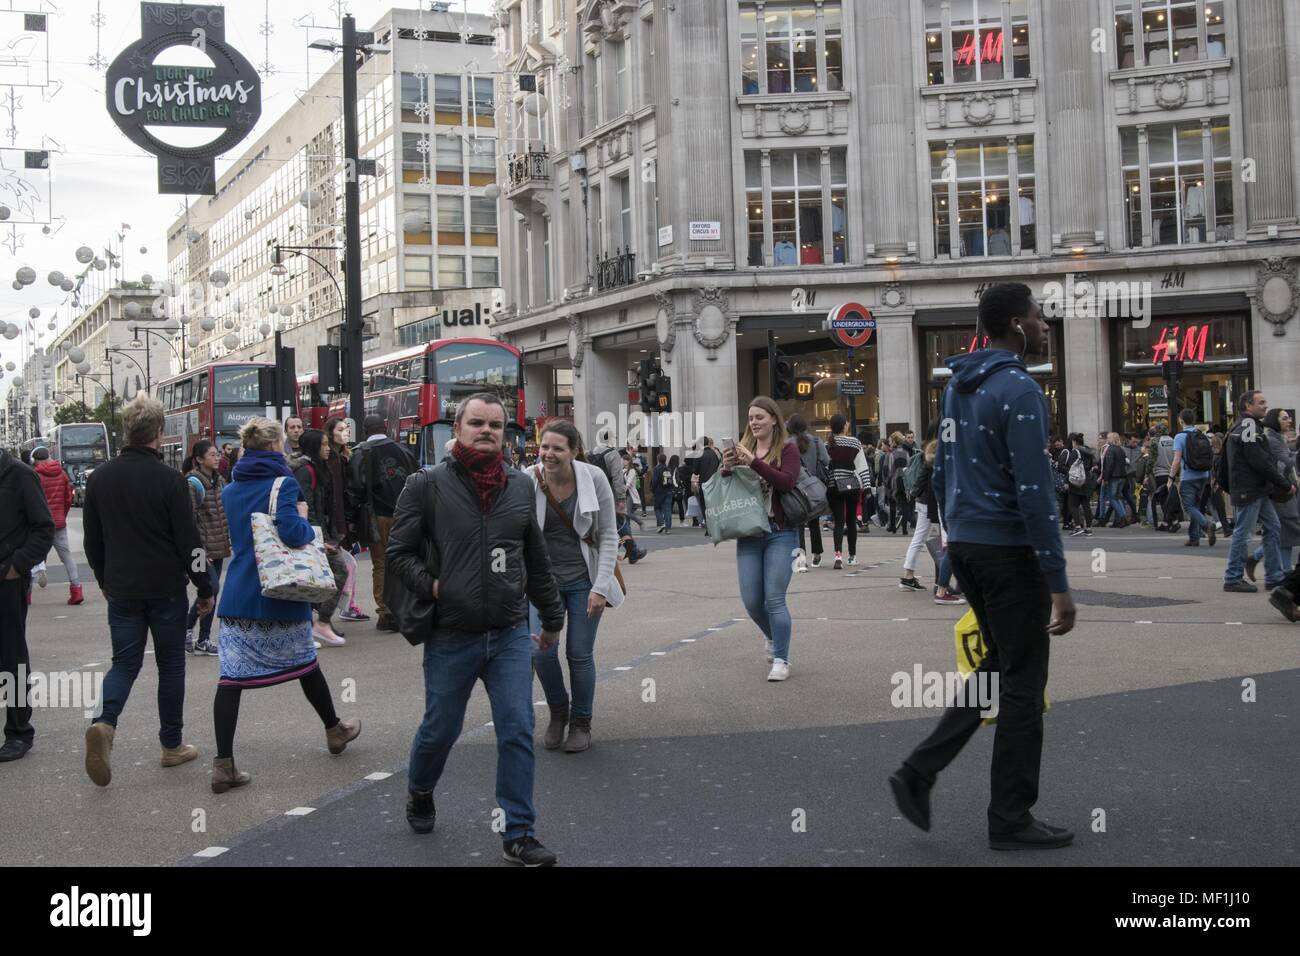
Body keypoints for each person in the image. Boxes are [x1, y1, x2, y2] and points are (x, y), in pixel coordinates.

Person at [890, 282, 1076, 850]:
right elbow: (1035, 491)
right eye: (1040, 317)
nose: (1046, 325)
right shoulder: (1020, 389)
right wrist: (1058, 583)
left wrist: (953, 535)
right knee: (1024, 683)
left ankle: (920, 771)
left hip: (966, 544)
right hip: (1007, 550)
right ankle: (1010, 817)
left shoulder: (957, 387)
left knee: (997, 664)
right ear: (1017, 326)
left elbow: (941, 472)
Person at [386, 393, 565, 866]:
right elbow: (397, 554)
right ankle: (420, 790)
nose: (486, 431)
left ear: (506, 433)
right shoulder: (426, 485)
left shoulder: (521, 488)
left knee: (517, 727)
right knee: (440, 729)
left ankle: (519, 833)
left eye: (496, 425)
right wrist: (437, 587)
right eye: (477, 423)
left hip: (508, 632)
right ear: (457, 429)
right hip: (452, 632)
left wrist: (551, 619)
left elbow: (536, 559)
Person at [211, 417, 361, 793]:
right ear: (277, 446)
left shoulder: (230, 489)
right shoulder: (285, 482)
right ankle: (334, 730)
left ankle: (224, 764)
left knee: (230, 680)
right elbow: (292, 534)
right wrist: (309, 525)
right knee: (306, 665)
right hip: (279, 592)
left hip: (239, 595)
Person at [82, 394, 212, 787]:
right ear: (159, 433)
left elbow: (92, 540)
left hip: (121, 588)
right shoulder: (171, 481)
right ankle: (171, 745)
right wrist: (204, 586)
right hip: (165, 589)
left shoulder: (100, 478)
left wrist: (104, 578)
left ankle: (105, 722)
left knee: (124, 663)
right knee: (170, 666)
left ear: (126, 431)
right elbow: (190, 542)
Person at [525, 420, 622, 753]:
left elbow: (609, 534)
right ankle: (558, 711)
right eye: (544, 447)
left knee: (579, 654)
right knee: (541, 652)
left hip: (584, 580)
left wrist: (601, 586)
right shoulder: (529, 478)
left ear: (574, 451)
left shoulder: (593, 479)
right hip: (543, 584)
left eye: (557, 448)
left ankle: (581, 722)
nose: (549, 454)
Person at [723, 396, 802, 682]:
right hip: (749, 534)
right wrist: (727, 467)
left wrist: (754, 462)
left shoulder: (788, 449)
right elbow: (730, 489)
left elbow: (786, 482)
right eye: (751, 417)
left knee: (774, 598)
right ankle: (771, 635)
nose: (754, 422)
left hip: (781, 533)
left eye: (759, 417)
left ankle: (781, 658)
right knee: (752, 600)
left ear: (773, 419)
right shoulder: (744, 449)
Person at [0, 446, 53, 762]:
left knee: (11, 655)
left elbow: (43, 527)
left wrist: (16, 566)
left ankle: (19, 732)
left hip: (6, 581)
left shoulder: (20, 475)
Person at [350, 414, 417, 632]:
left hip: (376, 515)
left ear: (365, 430)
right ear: (385, 428)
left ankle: (386, 612)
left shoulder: (361, 452)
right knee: (404, 561)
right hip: (406, 514)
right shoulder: (404, 450)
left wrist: (351, 519)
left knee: (380, 563)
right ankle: (404, 609)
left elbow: (354, 489)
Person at [1223, 391, 1294, 593]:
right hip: (1249, 489)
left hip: (1256, 489)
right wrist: (1283, 483)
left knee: (1273, 527)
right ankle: (1233, 577)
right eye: (1261, 402)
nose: (1265, 406)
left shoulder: (1251, 426)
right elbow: (1258, 460)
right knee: (1243, 533)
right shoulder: (1248, 425)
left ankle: (1274, 575)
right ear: (1247, 405)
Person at [293, 429, 348, 647]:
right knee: (337, 572)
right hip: (314, 534)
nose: (328, 448)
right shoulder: (306, 470)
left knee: (314, 579)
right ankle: (319, 623)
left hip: (322, 533)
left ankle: (312, 625)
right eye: (324, 445)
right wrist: (318, 538)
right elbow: (306, 506)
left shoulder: (317, 467)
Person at [183, 440, 231, 656]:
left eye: (217, 454)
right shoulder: (193, 484)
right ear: (199, 459)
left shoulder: (219, 481)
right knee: (211, 588)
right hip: (201, 550)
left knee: (211, 592)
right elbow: (189, 520)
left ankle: (203, 638)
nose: (217, 457)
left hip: (219, 546)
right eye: (212, 454)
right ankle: (186, 628)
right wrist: (201, 549)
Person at [323, 415, 367, 623]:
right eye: (340, 429)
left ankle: (345, 606)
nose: (344, 433)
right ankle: (335, 610)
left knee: (347, 565)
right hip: (334, 522)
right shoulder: (332, 459)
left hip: (340, 520)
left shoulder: (341, 457)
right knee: (346, 565)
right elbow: (333, 496)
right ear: (331, 432)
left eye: (346, 429)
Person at [1247, 409, 1299, 582]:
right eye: (1284, 418)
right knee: (1286, 529)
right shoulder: (1272, 439)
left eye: (1289, 418)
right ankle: (1281, 570)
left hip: (1284, 489)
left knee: (1285, 532)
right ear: (1274, 420)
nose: (1288, 421)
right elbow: (1287, 460)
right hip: (1280, 491)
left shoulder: (1277, 437)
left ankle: (1280, 568)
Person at [30, 445, 82, 605]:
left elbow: (31, 501)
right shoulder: (62, 473)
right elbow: (68, 498)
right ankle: (77, 590)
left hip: (39, 525)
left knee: (31, 558)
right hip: (58, 523)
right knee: (67, 557)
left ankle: (26, 595)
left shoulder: (34, 475)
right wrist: (62, 515)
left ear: (35, 461)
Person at [588, 430, 646, 562]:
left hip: (594, 493)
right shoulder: (612, 454)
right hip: (609, 494)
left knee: (602, 524)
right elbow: (617, 478)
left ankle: (626, 551)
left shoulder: (592, 453)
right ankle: (633, 552)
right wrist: (620, 498)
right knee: (620, 521)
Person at [1168, 410, 1215, 547]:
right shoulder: (1202, 435)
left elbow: (1177, 460)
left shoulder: (1179, 437)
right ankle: (1194, 537)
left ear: (1181, 420)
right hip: (1203, 475)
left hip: (1188, 476)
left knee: (1189, 506)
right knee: (1196, 506)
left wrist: (1171, 477)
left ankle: (1206, 525)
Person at [899, 430, 939, 592]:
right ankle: (942, 582)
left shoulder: (924, 452)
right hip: (933, 501)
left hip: (923, 501)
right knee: (946, 541)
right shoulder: (935, 452)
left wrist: (914, 494)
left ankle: (908, 575)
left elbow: (921, 479)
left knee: (919, 538)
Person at [788, 414, 828, 570]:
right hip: (813, 485)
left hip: (795, 487)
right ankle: (817, 554)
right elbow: (826, 461)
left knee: (798, 523)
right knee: (814, 522)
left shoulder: (786, 443)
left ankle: (801, 558)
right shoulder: (817, 441)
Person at [826, 414, 864, 570]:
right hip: (851, 486)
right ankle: (852, 556)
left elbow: (825, 467)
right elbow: (862, 467)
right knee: (851, 521)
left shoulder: (827, 444)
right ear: (843, 426)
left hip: (834, 486)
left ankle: (838, 556)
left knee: (838, 521)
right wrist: (866, 486)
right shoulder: (855, 442)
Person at [1058, 433, 1094, 536]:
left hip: (1076, 481)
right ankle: (1089, 528)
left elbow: (1071, 469)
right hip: (1086, 479)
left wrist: (1066, 481)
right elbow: (1091, 464)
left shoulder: (1075, 452)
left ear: (1074, 442)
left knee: (1072, 504)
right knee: (1086, 504)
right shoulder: (1087, 451)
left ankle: (1078, 526)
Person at [1100, 432, 1131, 527]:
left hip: (1114, 477)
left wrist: (1105, 478)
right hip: (1122, 476)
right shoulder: (1121, 449)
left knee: (1113, 498)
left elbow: (1109, 465)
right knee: (1117, 498)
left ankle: (1123, 517)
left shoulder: (1110, 449)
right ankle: (1123, 517)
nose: (1107, 439)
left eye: (1108, 438)